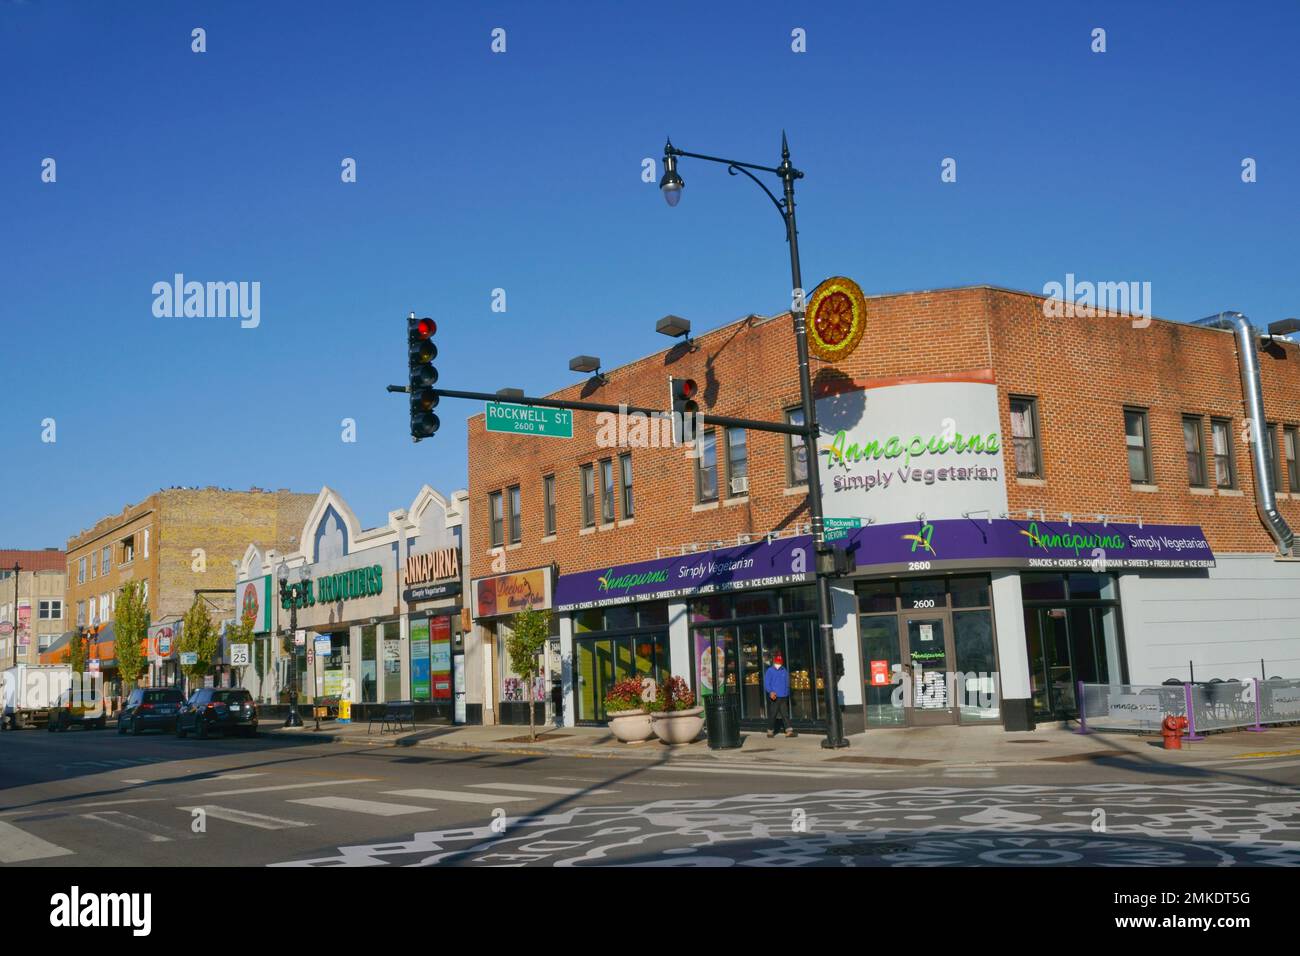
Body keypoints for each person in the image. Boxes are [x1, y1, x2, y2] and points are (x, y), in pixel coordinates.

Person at [764, 653, 796, 738]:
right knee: (773, 714)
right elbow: (767, 683)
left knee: (785, 714)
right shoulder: (770, 671)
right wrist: (770, 692)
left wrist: (787, 692)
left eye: (779, 662)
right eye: (777, 662)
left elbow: (787, 682)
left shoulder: (784, 670)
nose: (778, 664)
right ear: (774, 662)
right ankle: (770, 731)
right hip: (775, 696)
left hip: (783, 695)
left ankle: (789, 731)